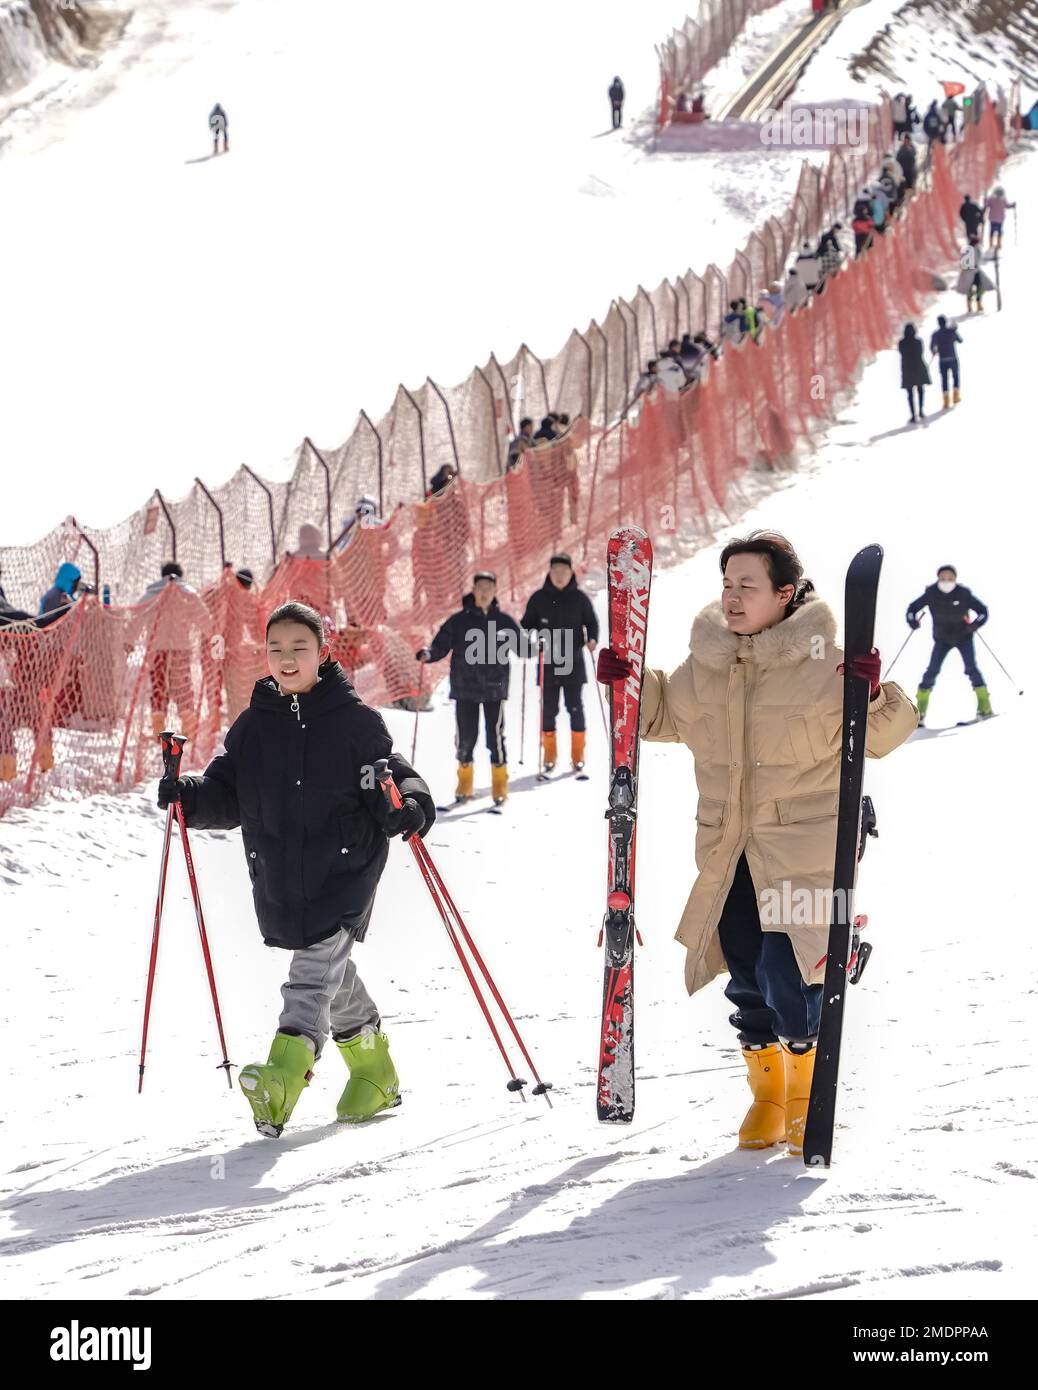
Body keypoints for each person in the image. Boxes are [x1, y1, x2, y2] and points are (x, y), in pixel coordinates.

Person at [595, 531, 916, 1153]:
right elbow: (661, 716)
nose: (733, 597)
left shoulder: (825, 660)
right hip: (729, 849)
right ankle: (767, 1095)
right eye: (727, 584)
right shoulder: (707, 663)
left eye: (748, 585)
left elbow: (882, 737)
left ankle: (802, 1095)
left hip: (806, 848)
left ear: (785, 593)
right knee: (744, 970)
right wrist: (627, 683)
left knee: (789, 968)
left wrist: (873, 693)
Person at [158, 600, 435, 1137]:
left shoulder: (354, 722)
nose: (286, 658)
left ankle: (282, 1079)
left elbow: (391, 774)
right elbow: (227, 791)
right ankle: (375, 1071)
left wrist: (409, 803)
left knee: (309, 979)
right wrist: (187, 796)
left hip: (345, 871)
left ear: (322, 653)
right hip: (282, 873)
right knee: (331, 971)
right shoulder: (253, 727)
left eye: (299, 648)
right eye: (276, 648)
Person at [416, 572, 523, 806]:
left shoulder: (503, 621)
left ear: (495, 591)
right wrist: (428, 654)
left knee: (495, 736)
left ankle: (499, 783)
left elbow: (523, 648)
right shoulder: (458, 621)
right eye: (480, 588)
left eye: (489, 588)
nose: (484, 592)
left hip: (494, 689)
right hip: (465, 688)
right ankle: (464, 782)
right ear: (473, 590)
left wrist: (537, 646)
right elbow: (440, 647)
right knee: (466, 737)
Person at [521, 553, 598, 773]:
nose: (560, 576)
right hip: (548, 664)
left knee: (575, 708)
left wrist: (592, 639)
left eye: (564, 572)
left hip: (573, 663)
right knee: (549, 710)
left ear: (571, 573)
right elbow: (526, 624)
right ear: (550, 572)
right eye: (556, 571)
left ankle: (578, 754)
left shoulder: (580, 599)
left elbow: (591, 623)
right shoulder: (538, 598)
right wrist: (529, 637)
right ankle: (549, 754)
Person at [906, 567, 992, 724]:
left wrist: (975, 624)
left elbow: (983, 611)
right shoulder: (931, 593)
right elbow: (912, 609)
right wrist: (912, 621)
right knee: (931, 672)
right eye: (943, 578)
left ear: (955, 579)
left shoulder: (963, 593)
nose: (946, 581)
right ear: (938, 578)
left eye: (950, 578)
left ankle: (985, 707)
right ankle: (919, 713)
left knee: (971, 668)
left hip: (964, 637)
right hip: (942, 639)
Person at [898, 323, 930, 424]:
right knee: (920, 390)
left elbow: (901, 353)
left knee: (910, 394)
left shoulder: (902, 343)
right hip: (918, 367)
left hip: (907, 369)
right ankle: (921, 411)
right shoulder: (918, 342)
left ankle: (913, 414)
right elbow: (921, 352)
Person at [929, 314, 963, 407]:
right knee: (955, 376)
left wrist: (934, 351)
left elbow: (932, 347)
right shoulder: (951, 331)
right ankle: (956, 396)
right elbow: (960, 340)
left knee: (944, 379)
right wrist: (955, 330)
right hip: (953, 358)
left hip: (942, 359)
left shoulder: (935, 334)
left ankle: (946, 400)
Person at [37, 562, 83, 627]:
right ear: (69, 582)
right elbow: (48, 622)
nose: (77, 586)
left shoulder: (63, 594)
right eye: (76, 583)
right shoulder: (54, 596)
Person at [984, 185, 1015, 249]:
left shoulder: (991, 199)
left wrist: (985, 200)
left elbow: (986, 205)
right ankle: (999, 244)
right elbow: (1007, 206)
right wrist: (1013, 205)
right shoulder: (1003, 200)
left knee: (991, 231)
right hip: (1000, 219)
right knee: (1000, 231)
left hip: (992, 218)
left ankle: (991, 244)